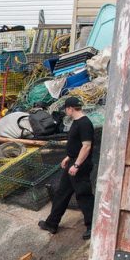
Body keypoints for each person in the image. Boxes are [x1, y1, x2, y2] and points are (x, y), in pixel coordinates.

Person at [39, 96, 100, 240]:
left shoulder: (84, 123)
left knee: (83, 195)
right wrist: (68, 157)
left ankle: (92, 226)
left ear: (70, 108)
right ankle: (51, 223)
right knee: (62, 193)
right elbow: (76, 144)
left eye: (66, 109)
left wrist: (77, 165)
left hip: (80, 165)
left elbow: (86, 146)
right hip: (73, 161)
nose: (66, 111)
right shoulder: (76, 122)